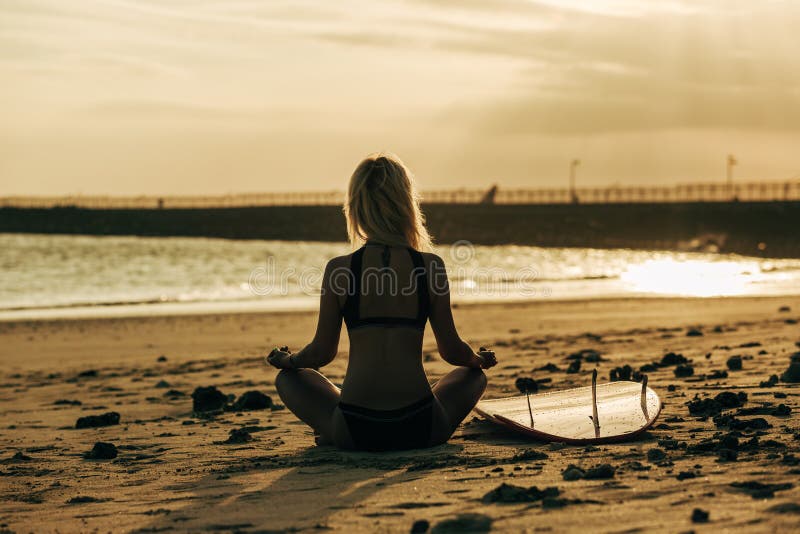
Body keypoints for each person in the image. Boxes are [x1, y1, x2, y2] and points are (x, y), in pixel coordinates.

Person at [266, 153, 497, 451]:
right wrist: (477, 360)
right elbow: (452, 351)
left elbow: (322, 353)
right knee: (471, 377)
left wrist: (289, 361)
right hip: (421, 426)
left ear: (357, 208)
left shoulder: (340, 269)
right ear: (407, 205)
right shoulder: (430, 267)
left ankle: (332, 433)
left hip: (356, 428)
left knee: (289, 380)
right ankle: (340, 430)